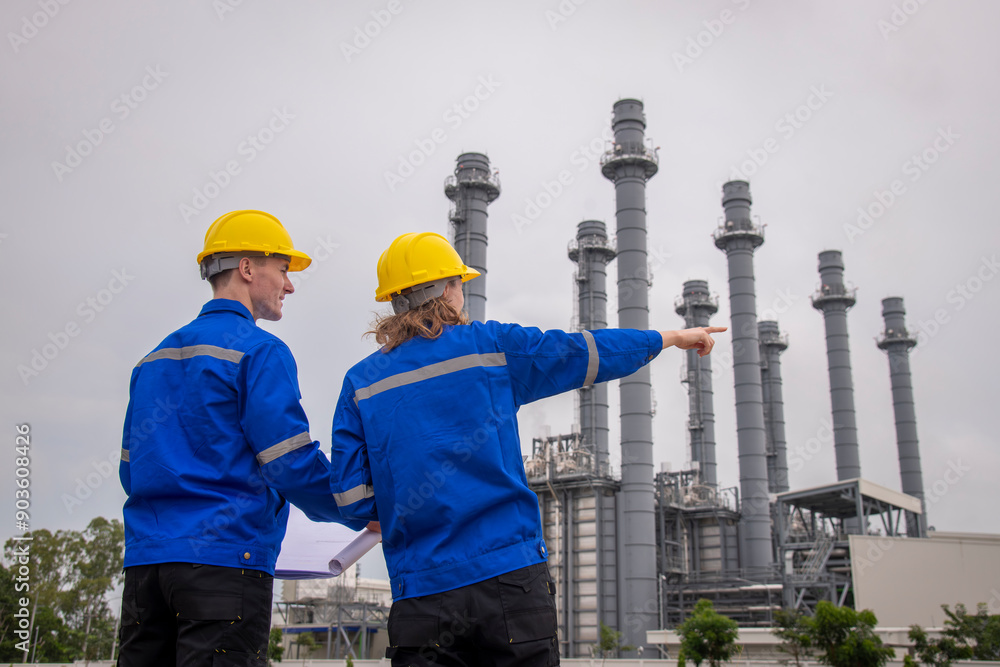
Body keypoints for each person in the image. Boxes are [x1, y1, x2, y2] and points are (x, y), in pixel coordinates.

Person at [329, 232, 726, 667]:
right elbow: (583, 352)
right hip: (510, 584)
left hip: (423, 595)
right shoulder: (491, 348)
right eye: (459, 283)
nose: (463, 293)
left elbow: (350, 500)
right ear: (443, 289)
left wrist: (403, 506)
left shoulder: (361, 384)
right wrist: (669, 337)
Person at [117, 210, 367, 667]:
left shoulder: (151, 361)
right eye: (284, 270)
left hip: (145, 571)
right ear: (248, 268)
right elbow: (290, 465)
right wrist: (362, 509)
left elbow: (130, 471)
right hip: (224, 568)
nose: (289, 286)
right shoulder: (260, 351)